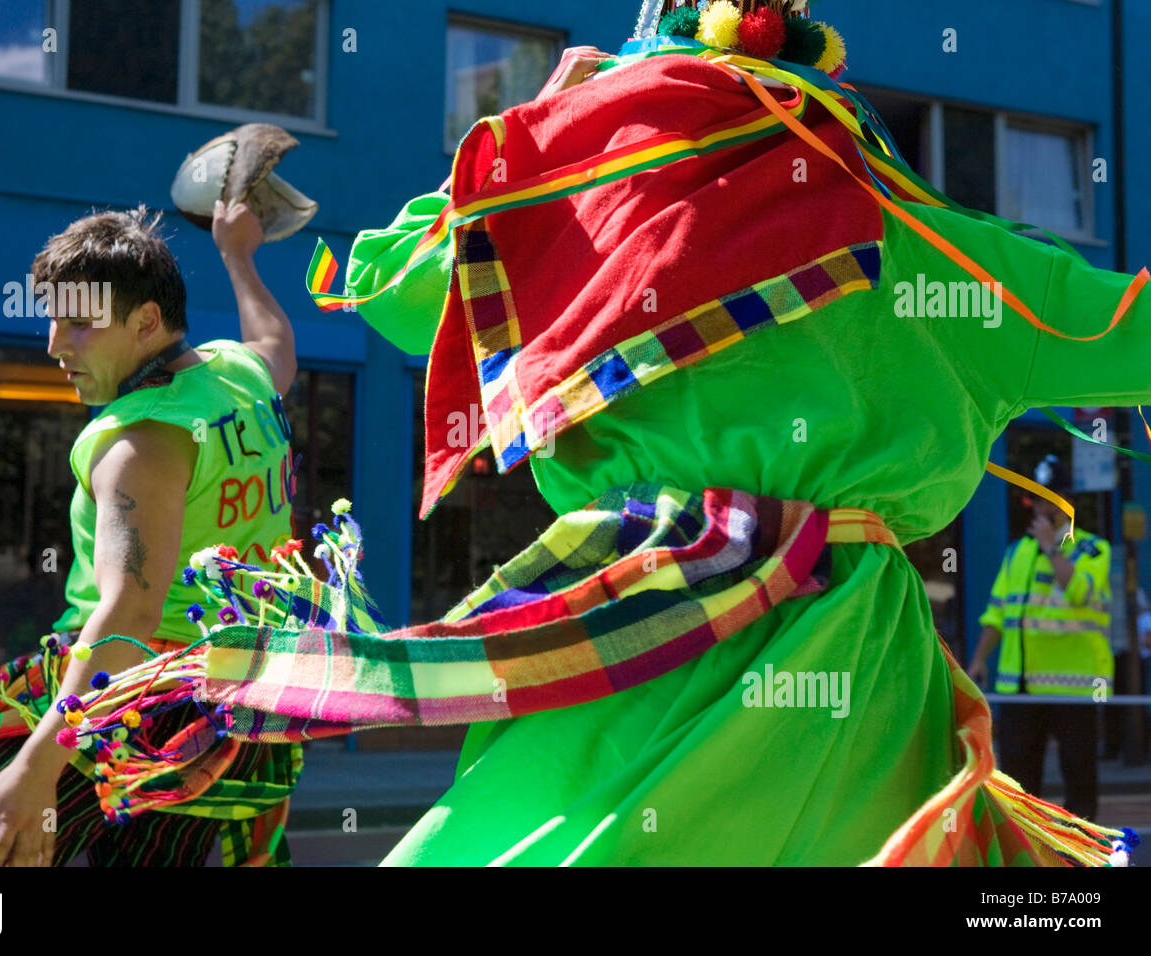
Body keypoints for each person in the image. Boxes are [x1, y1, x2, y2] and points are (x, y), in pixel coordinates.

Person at [222, 1, 1143, 865]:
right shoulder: (928, 248)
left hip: (628, 632)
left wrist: (538, 135)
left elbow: (391, 281)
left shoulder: (580, 232)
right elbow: (1125, 331)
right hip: (852, 660)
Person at [0, 198, 303, 866]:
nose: (53, 344)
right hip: (222, 713)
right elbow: (276, 345)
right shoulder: (237, 378)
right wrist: (238, 257)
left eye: (79, 325)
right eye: (53, 319)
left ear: (146, 322)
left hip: (130, 704)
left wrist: (37, 770)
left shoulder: (140, 443)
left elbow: (129, 609)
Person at [968, 456, 1113, 821]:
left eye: (1051, 497)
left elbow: (1078, 593)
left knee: (1078, 772)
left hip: (1074, 684)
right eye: (1037, 497)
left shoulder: (1092, 548)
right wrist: (979, 659)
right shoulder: (1017, 551)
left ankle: (1082, 851)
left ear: (1067, 501)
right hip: (1019, 685)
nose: (1042, 505)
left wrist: (1052, 547)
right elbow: (998, 611)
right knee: (1018, 775)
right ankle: (1025, 845)